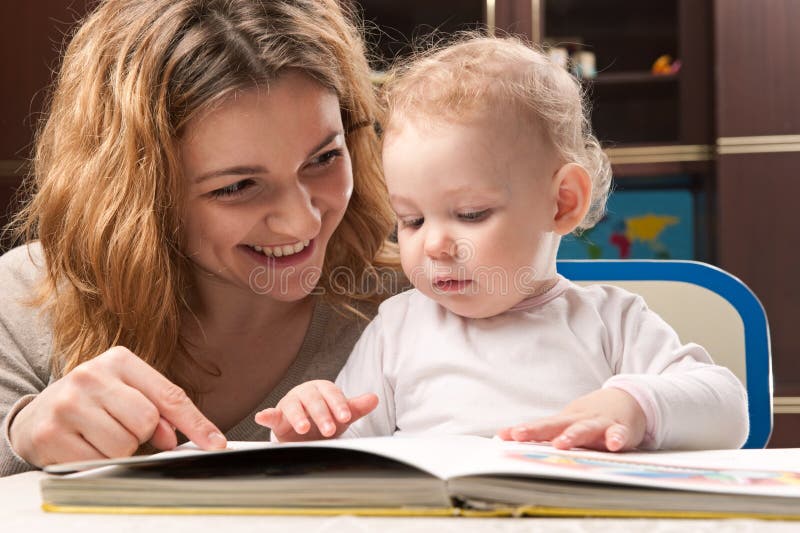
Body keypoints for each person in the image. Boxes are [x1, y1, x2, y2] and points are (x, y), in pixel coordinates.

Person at [256, 36, 750, 452]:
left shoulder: (611, 322)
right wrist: (310, 423)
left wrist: (634, 407)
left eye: (470, 214)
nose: (434, 244)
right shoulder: (398, 328)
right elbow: (348, 451)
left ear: (561, 203)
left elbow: (728, 408)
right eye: (410, 220)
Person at [0, 0, 401, 477]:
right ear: (138, 195)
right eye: (236, 187)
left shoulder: (416, 304)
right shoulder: (27, 294)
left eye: (323, 159)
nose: (301, 223)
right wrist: (22, 434)